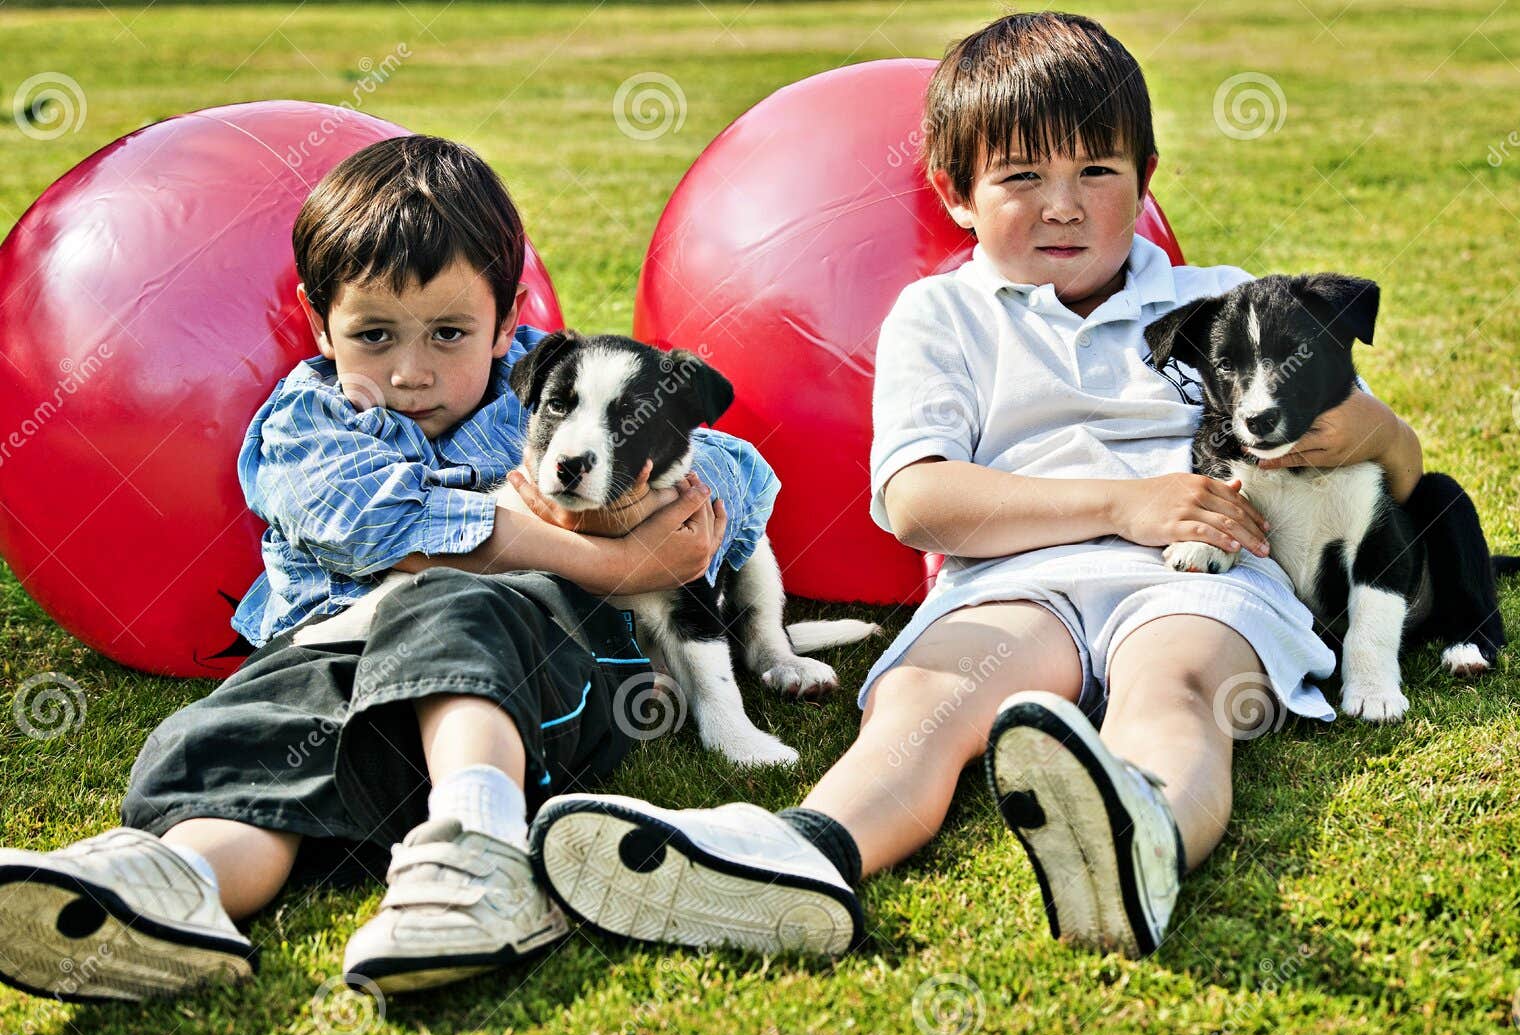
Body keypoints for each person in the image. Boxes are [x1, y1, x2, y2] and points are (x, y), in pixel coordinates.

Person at [529, 11, 1424, 959]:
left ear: (1146, 179)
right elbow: (915, 501)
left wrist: (1382, 430)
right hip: (1009, 581)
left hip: (1197, 576)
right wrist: (1122, 503)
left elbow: (1386, 469)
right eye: (1023, 177)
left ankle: (1142, 830)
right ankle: (800, 853)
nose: (1064, 206)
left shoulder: (1224, 302)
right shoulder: (940, 314)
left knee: (1180, 689)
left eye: (1097, 172)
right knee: (926, 703)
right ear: (957, 194)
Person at [0, 135, 726, 1002]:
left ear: (507, 320)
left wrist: (684, 522)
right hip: (348, 690)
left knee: (449, 605)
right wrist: (615, 558)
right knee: (243, 736)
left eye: (449, 334)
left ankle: (479, 853)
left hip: (524, 677)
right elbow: (387, 523)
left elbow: (708, 453)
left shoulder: (547, 384)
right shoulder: (303, 421)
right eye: (374, 335)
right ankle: (172, 886)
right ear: (318, 320)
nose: (411, 372)